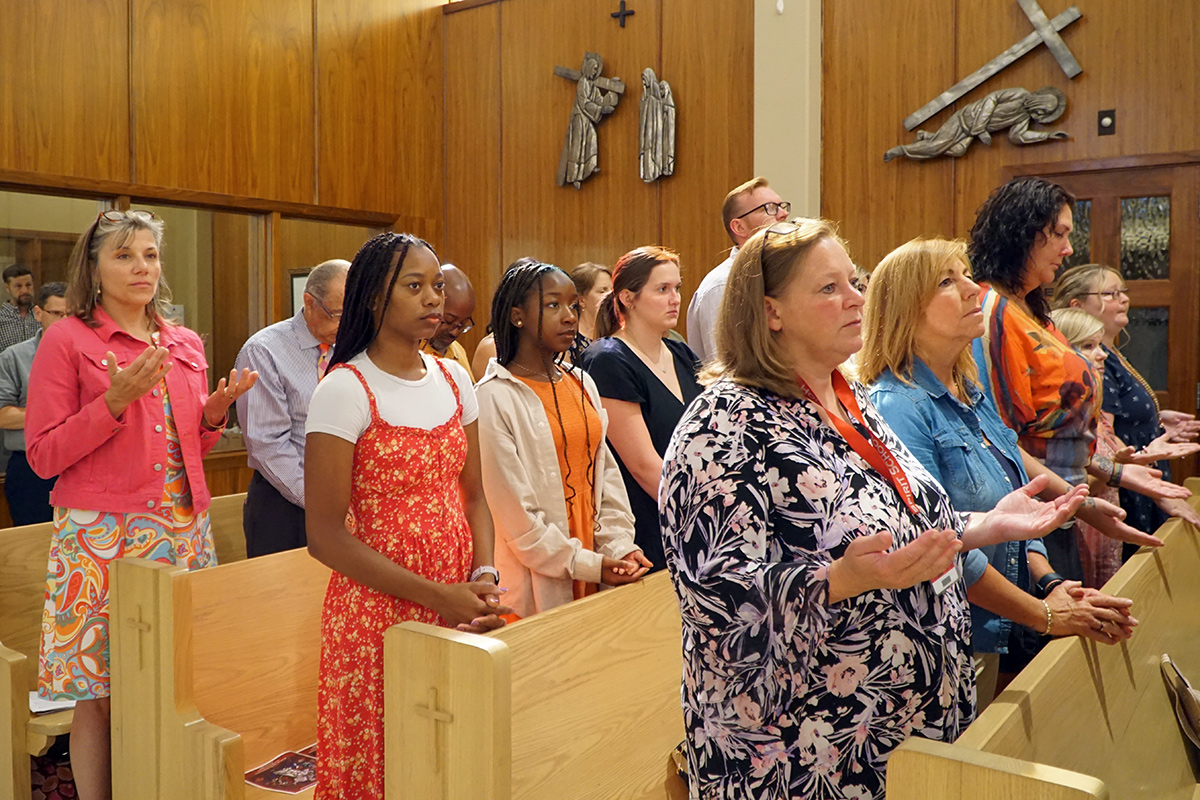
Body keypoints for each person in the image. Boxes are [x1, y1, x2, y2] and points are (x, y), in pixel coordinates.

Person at [659, 219, 1094, 800]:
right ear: (770, 312)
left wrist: (988, 525)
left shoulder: (848, 396)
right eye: (828, 288)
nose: (856, 299)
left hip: (902, 733)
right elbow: (712, 598)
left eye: (854, 281)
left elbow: (899, 528)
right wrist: (840, 579)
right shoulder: (724, 423)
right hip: (801, 753)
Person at [25, 210, 257, 800]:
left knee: (176, 683)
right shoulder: (68, 339)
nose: (142, 268)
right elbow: (43, 454)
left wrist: (212, 413)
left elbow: (192, 449)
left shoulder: (183, 341)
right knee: (97, 694)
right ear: (95, 269)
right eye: (125, 255)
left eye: (150, 255)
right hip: (100, 538)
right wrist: (114, 402)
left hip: (180, 531)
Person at [860, 239, 1145, 707]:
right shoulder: (898, 405)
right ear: (906, 309)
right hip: (949, 629)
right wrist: (1043, 614)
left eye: (966, 274)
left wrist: (1050, 581)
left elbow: (1014, 497)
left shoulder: (970, 389)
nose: (973, 289)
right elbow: (940, 543)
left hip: (996, 618)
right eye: (948, 281)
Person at [304, 232, 509, 800]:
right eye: (414, 287)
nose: (432, 300)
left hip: (456, 599)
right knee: (382, 761)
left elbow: (474, 496)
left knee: (446, 763)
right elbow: (322, 536)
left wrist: (484, 576)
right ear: (374, 299)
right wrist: (433, 594)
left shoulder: (453, 376)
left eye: (436, 286)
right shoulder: (345, 389)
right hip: (375, 611)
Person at [969, 177, 1188, 582]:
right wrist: (1082, 502)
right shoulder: (993, 311)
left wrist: (1116, 473)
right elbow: (1000, 442)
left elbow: (1064, 432)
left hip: (1063, 507)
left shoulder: (1032, 311)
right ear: (1022, 233)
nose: (1068, 249)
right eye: (1058, 235)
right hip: (1031, 516)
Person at [476, 260, 650, 618]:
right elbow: (516, 519)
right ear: (517, 316)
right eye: (553, 305)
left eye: (573, 305)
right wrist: (587, 563)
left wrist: (619, 546)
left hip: (595, 564)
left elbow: (606, 480)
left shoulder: (582, 383)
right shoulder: (494, 396)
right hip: (538, 575)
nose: (569, 316)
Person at [1049, 307, 1200, 585]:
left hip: (1104, 527)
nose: (1103, 354)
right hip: (1078, 530)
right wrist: (1122, 471)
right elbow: (1064, 491)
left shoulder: (1091, 407)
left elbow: (1116, 460)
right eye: (1088, 346)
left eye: (1099, 345)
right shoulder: (1056, 415)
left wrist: (1140, 459)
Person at [578, 246, 701, 573]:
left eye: (677, 287)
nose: (675, 298)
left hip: (693, 518)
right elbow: (644, 466)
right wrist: (709, 509)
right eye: (662, 290)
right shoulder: (607, 359)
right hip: (651, 526)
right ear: (628, 298)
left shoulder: (681, 353)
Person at [234, 259, 349, 557]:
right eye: (337, 314)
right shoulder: (264, 350)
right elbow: (267, 444)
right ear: (309, 302)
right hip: (285, 504)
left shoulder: (354, 348)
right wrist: (321, 504)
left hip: (346, 505)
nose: (346, 325)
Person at [685, 177, 789, 362]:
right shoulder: (723, 285)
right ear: (739, 227)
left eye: (782, 206)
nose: (782, 214)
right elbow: (727, 367)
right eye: (770, 208)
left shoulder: (780, 276)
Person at [0, 282, 68, 524]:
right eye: (58, 314)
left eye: (71, 315)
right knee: (34, 548)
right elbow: (3, 416)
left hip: (78, 465)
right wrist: (55, 415)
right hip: (31, 468)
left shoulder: (90, 355)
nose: (65, 321)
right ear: (39, 313)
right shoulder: (14, 357)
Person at [420, 262, 475, 379]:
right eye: (448, 321)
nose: (455, 332)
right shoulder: (411, 352)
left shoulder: (458, 351)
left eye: (462, 325)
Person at [568, 261, 612, 352]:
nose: (611, 296)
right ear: (581, 300)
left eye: (612, 290)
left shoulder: (617, 332)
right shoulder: (568, 338)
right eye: (602, 291)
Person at [0, 263, 40, 352]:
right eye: (18, 286)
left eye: (28, 285)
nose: (25, 290)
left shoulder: (42, 316)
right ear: (7, 288)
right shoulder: (1, 319)